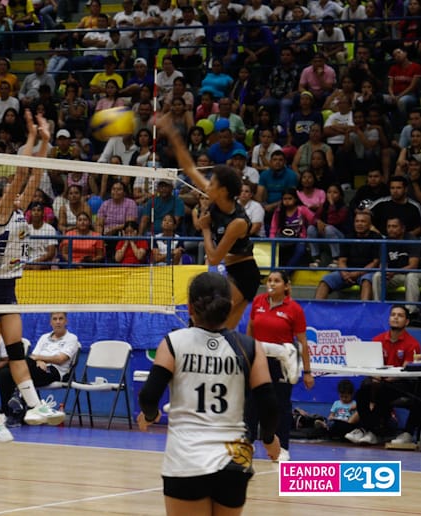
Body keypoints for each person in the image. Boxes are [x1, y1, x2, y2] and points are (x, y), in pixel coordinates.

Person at [137, 271, 280, 516]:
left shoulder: (173, 342)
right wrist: (269, 439)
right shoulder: (249, 346)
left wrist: (149, 415)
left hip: (186, 460)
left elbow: (149, 395)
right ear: (229, 305)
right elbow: (268, 402)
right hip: (234, 459)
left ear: (190, 306)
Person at [0, 111, 63, 443]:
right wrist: (29, 137)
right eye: (10, 190)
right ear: (0, 198)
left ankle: (34, 406)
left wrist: (45, 141)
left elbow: (34, 173)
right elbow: (23, 171)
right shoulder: (2, 212)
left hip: (8, 287)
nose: (19, 191)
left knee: (16, 351)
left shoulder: (21, 211)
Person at [158, 114, 260, 330]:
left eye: (212, 183)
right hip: (232, 272)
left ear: (223, 190)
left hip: (245, 274)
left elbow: (213, 258)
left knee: (207, 320)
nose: (208, 185)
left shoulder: (238, 222)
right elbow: (189, 169)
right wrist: (172, 134)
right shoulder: (217, 201)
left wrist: (205, 228)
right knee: (221, 332)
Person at [247, 271, 313, 462]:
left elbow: (302, 342)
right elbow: (251, 328)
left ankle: (282, 447)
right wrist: (249, 353)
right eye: (269, 280)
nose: (272, 284)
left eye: (277, 281)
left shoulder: (294, 309)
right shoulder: (258, 302)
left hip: (282, 362)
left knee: (280, 406)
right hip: (258, 358)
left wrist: (307, 372)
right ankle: (248, 444)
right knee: (251, 403)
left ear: (286, 286)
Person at [345, 305, 421, 445]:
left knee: (383, 392)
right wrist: (377, 376)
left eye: (400, 315)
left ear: (407, 322)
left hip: (401, 384)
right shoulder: (377, 340)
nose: (396, 317)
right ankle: (367, 429)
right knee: (362, 392)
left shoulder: (412, 344)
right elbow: (372, 364)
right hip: (379, 381)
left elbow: (406, 371)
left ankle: (371, 431)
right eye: (393, 314)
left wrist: (385, 378)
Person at [0, 311, 80, 422]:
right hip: (36, 368)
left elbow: (61, 359)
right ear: (51, 322)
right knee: (4, 374)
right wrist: (39, 360)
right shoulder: (44, 337)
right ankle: (8, 413)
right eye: (55, 319)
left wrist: (40, 358)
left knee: (20, 365)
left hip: (54, 371)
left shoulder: (72, 338)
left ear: (66, 321)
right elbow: (33, 356)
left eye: (61, 319)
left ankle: (17, 395)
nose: (58, 322)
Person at [314, 211, 380, 300]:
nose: (359, 224)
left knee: (367, 281)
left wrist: (357, 273)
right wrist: (344, 273)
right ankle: (317, 309)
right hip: (348, 272)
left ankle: (364, 310)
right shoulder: (348, 237)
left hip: (367, 272)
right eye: (357, 221)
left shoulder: (376, 238)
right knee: (325, 280)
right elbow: (342, 260)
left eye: (363, 221)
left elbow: (375, 262)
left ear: (369, 224)